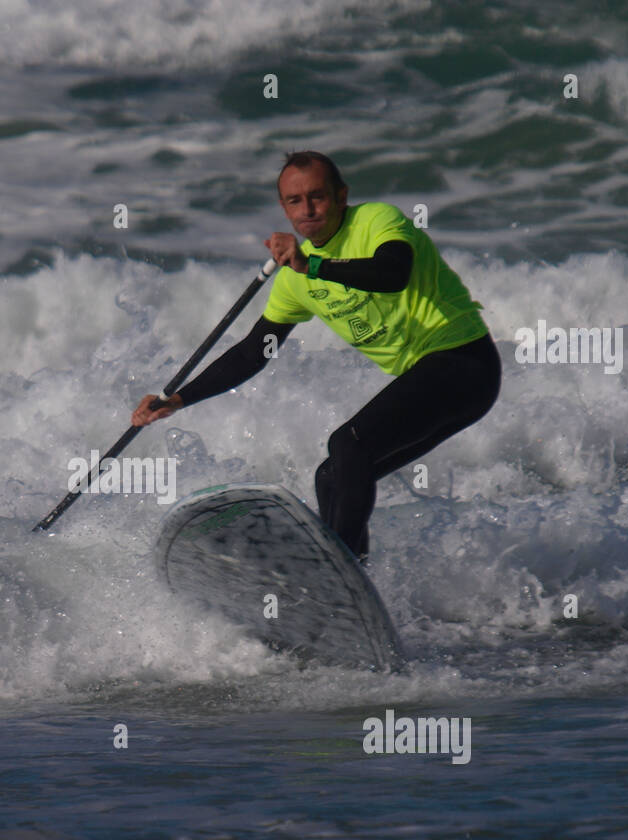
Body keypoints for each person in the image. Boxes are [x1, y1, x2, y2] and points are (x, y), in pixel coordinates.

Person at [131, 150, 501, 560]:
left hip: (464, 362)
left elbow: (391, 274)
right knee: (332, 476)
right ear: (284, 208)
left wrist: (313, 266)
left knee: (349, 444)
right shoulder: (294, 280)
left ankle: (339, 566)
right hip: (435, 379)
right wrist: (179, 399)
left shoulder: (378, 221)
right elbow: (255, 351)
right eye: (294, 201)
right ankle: (354, 591)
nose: (307, 209)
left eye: (317, 196)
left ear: (341, 196)